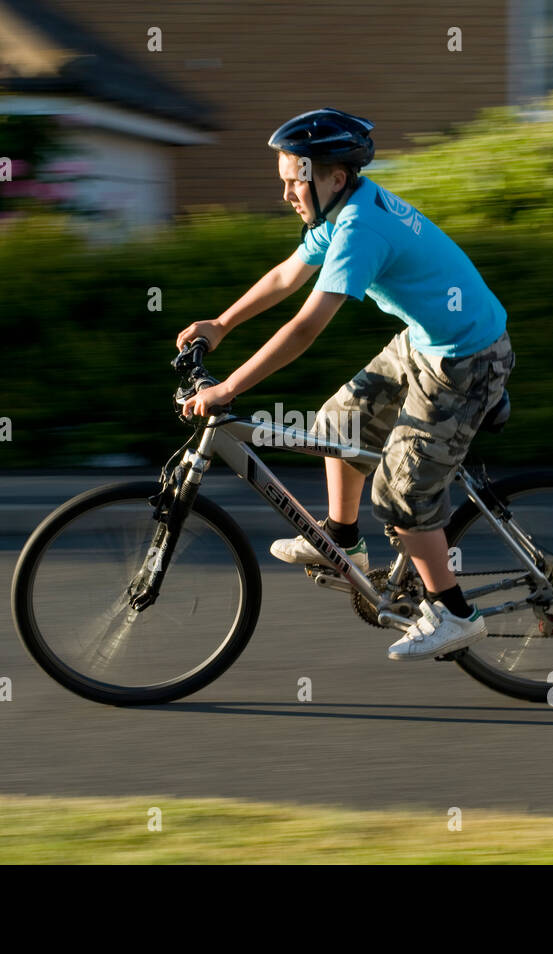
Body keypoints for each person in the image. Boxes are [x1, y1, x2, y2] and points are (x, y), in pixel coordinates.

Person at [176, 107, 514, 661]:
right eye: (283, 180)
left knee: (402, 493)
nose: (287, 193)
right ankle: (342, 539)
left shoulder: (359, 227)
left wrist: (228, 388)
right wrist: (221, 324)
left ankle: (453, 614)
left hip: (467, 359)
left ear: (333, 176)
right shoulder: (338, 210)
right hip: (431, 341)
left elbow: (306, 326)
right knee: (340, 420)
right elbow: (288, 274)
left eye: (295, 180)